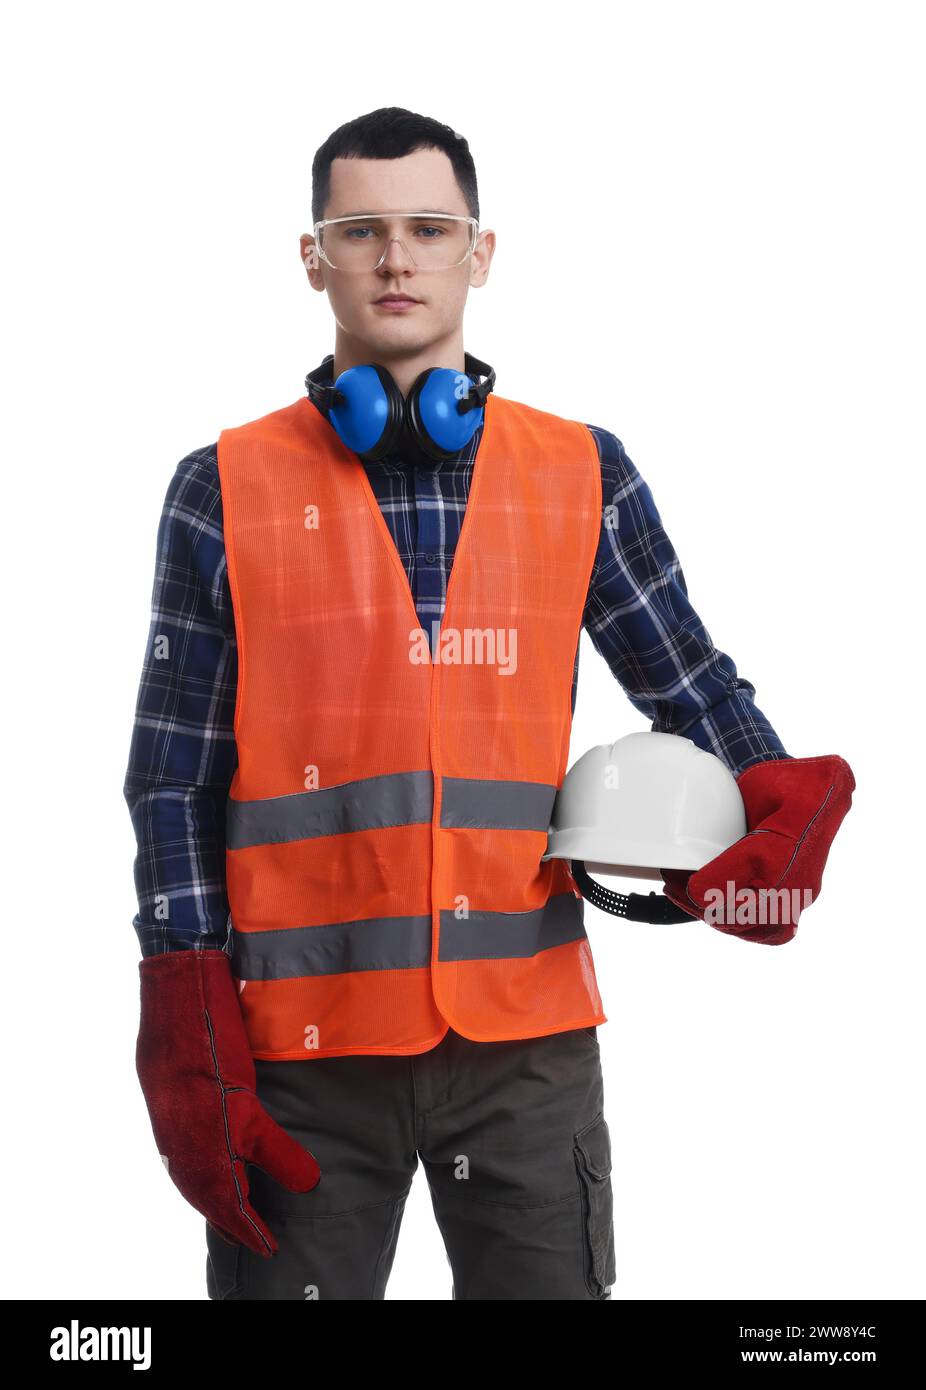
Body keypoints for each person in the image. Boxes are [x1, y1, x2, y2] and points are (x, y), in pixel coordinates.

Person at [124, 106, 846, 1301]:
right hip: (298, 1049)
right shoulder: (223, 486)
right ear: (314, 257)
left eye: (426, 228)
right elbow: (172, 778)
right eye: (360, 230)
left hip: (525, 1049)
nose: (395, 258)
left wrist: (780, 801)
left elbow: (684, 681)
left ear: (480, 251)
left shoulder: (581, 470)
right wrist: (187, 1033)